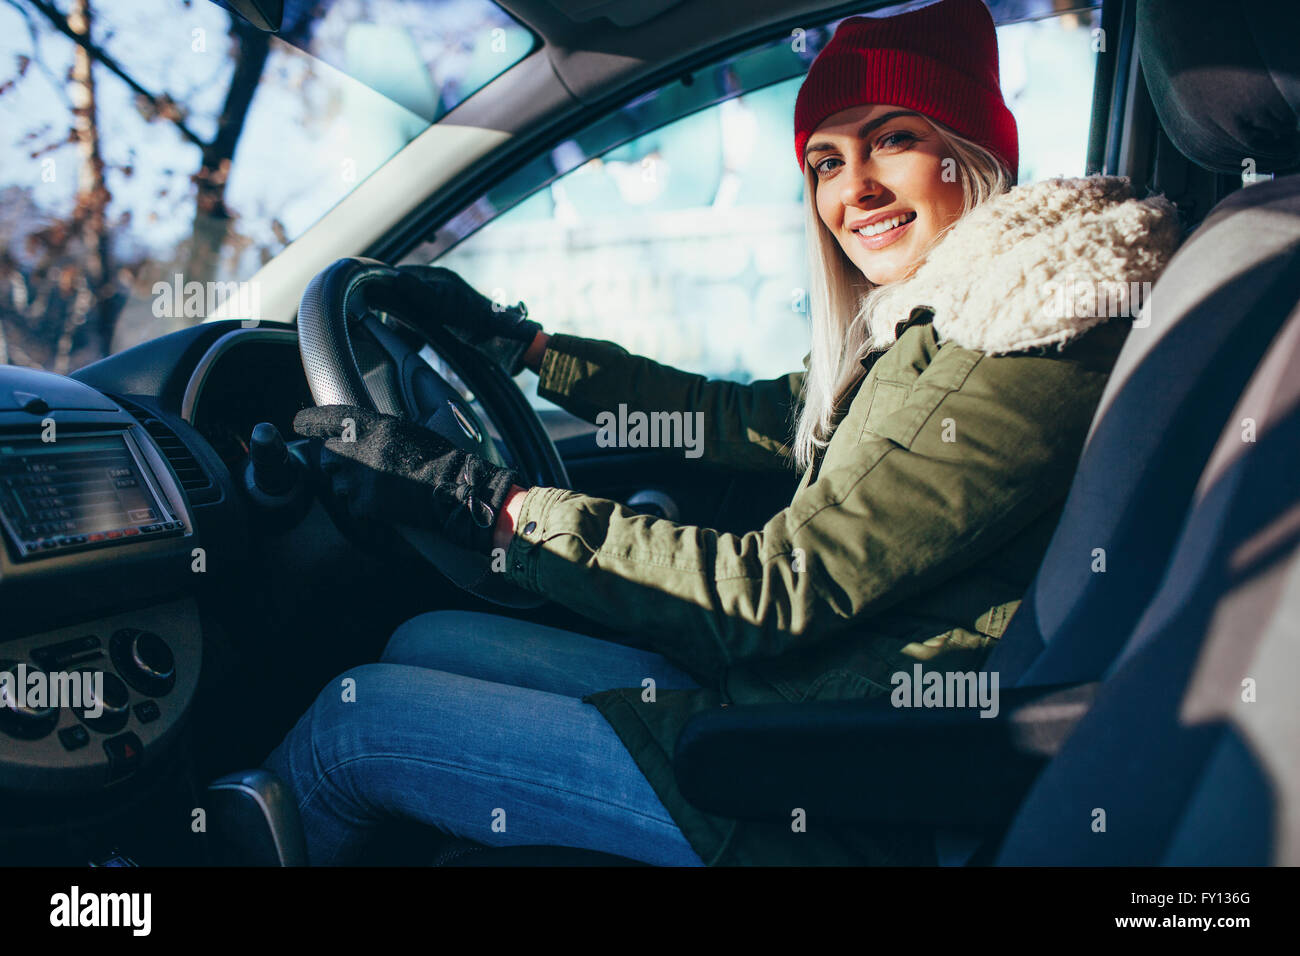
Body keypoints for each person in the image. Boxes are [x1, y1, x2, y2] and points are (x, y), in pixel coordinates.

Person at [265, 0, 1182, 866]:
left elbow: (775, 590)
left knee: (355, 726)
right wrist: (524, 345)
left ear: (970, 152)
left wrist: (488, 503)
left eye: (892, 139)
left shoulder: (1015, 341)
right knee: (427, 640)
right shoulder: (937, 328)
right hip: (800, 711)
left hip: (826, 791)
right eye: (825, 161)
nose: (854, 188)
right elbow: (743, 418)